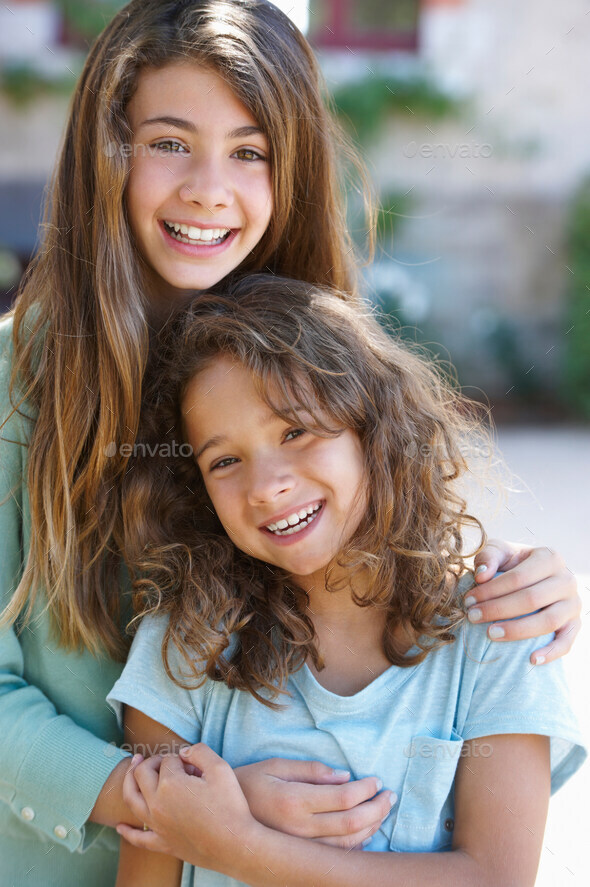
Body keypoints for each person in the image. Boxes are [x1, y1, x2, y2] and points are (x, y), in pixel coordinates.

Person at [0, 1, 581, 885]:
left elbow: (387, 550)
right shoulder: (14, 382)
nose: (207, 187)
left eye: (250, 150)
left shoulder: (309, 359)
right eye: (167, 142)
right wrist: (183, 802)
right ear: (106, 154)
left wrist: (518, 584)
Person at [106, 275, 586, 887]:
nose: (265, 485)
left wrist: (240, 847)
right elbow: (147, 870)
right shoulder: (186, 641)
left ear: (373, 426)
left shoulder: (499, 628)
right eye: (224, 461)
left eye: (295, 431)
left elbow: (495, 878)